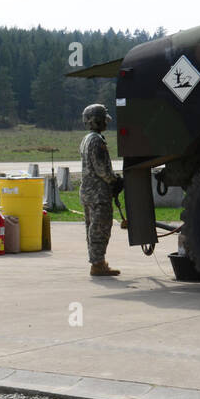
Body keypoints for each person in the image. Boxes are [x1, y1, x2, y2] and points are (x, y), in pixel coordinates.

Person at [79, 103, 123, 276]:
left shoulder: (86, 139)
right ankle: (98, 264)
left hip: (88, 191)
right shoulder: (96, 140)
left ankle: (96, 261)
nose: (106, 123)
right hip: (98, 193)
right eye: (103, 119)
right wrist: (115, 180)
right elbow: (101, 169)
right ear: (97, 121)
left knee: (91, 229)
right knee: (100, 229)